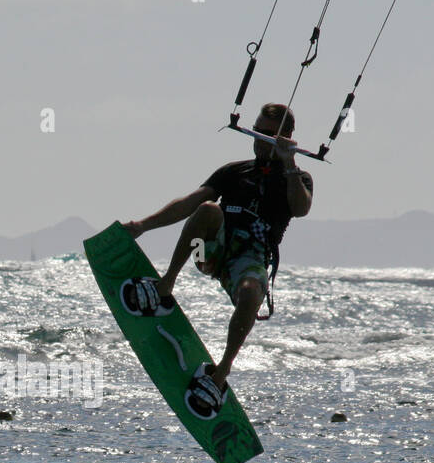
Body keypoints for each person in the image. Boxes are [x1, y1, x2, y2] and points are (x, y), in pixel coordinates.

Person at [120, 103, 313, 418]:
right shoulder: (233, 172)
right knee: (208, 209)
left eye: (268, 134)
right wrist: (143, 225)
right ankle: (165, 285)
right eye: (256, 131)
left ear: (286, 137)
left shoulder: (297, 178)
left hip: (248, 263)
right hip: (208, 254)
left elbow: (301, 208)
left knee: (252, 293)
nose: (259, 139)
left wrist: (288, 161)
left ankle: (219, 374)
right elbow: (188, 204)